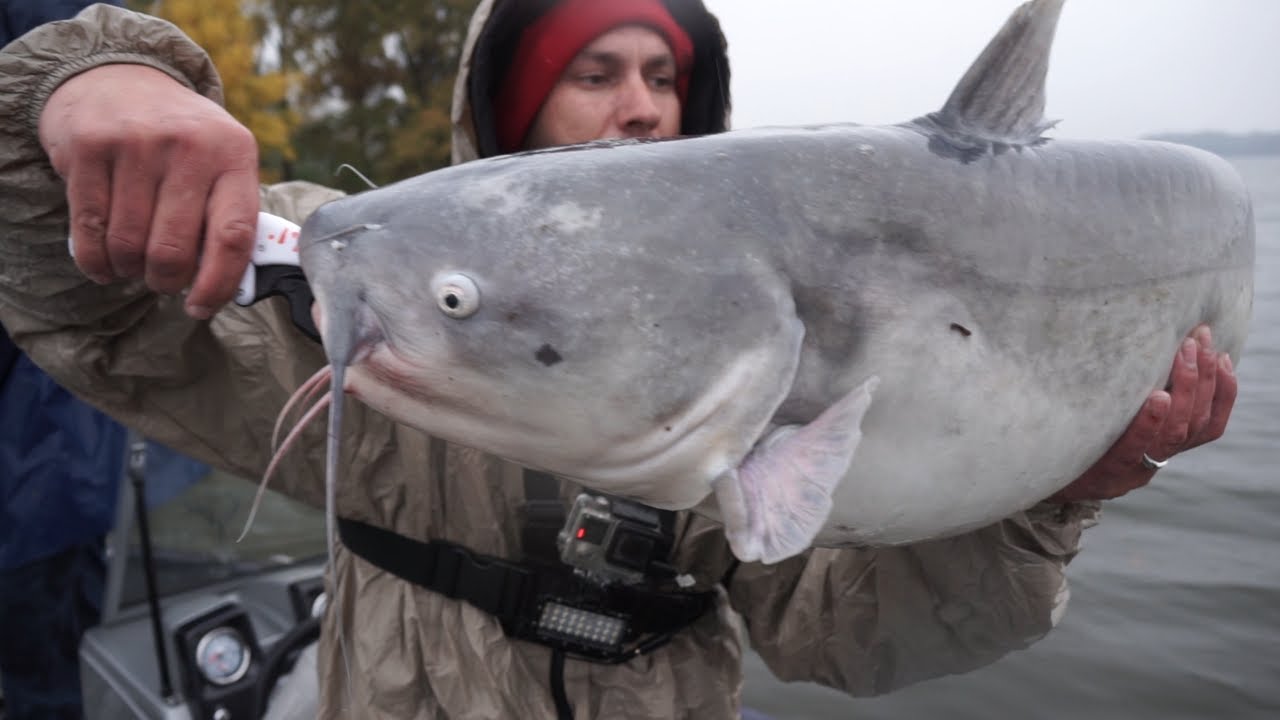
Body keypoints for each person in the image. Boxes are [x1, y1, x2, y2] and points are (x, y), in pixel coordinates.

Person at [0, 1, 1236, 719]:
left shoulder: (771, 336)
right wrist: (77, 81)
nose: (640, 106)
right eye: (593, 73)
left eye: (665, 78)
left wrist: (1052, 499)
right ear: (506, 109)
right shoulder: (349, 273)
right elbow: (89, 311)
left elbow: (846, 639)